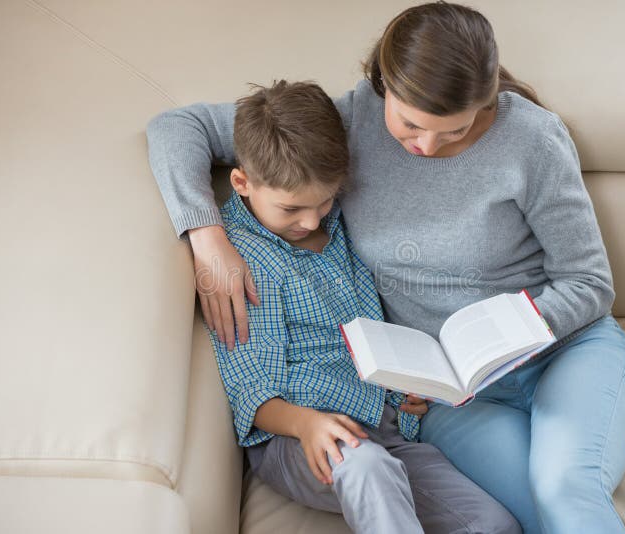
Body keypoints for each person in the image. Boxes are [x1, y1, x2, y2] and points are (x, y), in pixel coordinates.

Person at [146, 3, 625, 533]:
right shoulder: (346, 122)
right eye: (410, 124)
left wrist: (508, 333)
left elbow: (590, 283)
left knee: (563, 488)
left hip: (563, 353)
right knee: (529, 514)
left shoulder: (533, 141)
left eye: (454, 130)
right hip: (457, 396)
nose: (425, 146)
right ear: (383, 83)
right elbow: (179, 126)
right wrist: (206, 233)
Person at [199, 79, 520, 534]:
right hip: (298, 435)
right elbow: (250, 385)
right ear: (242, 182)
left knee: (492, 524)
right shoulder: (241, 261)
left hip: (384, 427)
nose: (311, 220)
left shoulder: (344, 221)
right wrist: (306, 425)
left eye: (324, 199)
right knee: (366, 468)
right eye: (292, 209)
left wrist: (406, 386)